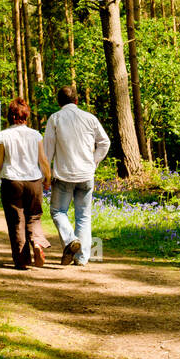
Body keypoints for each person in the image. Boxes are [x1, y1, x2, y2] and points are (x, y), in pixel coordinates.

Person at [42, 86, 110, 266]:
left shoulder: (55, 118)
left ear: (59, 102)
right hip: (86, 175)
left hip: (63, 175)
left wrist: (46, 175)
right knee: (84, 216)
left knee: (57, 212)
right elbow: (105, 142)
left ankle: (71, 240)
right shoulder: (90, 118)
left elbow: (47, 150)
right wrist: (94, 161)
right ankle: (81, 258)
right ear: (77, 101)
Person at [0, 98, 51, 270]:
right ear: (26, 116)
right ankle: (37, 243)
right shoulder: (35, 135)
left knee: (16, 221)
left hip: (12, 181)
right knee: (34, 217)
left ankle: (22, 261)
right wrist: (48, 178)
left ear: (10, 116)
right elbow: (43, 160)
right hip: (34, 181)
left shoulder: (3, 136)